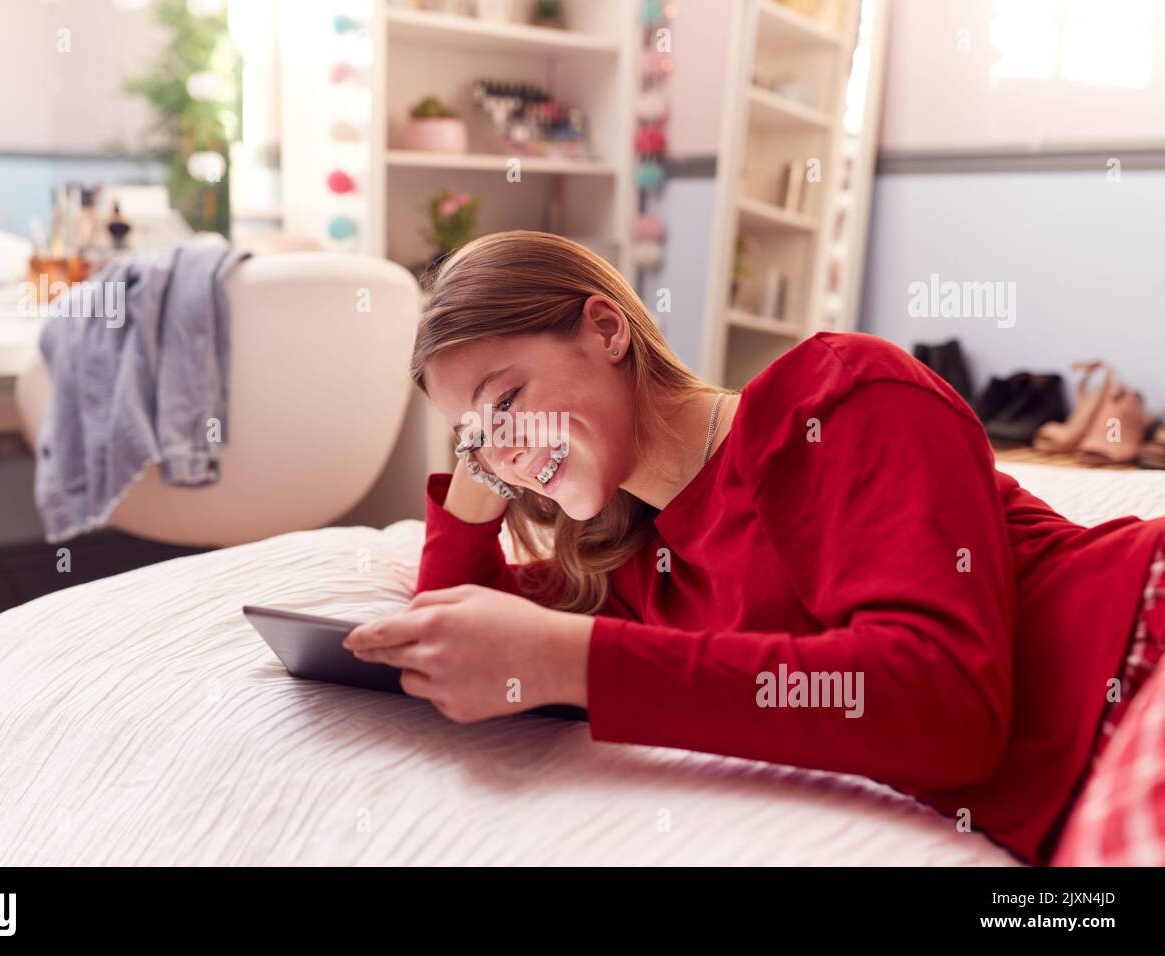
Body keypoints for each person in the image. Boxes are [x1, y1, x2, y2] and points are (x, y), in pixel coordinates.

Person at [344, 230, 1165, 865]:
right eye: (471, 438)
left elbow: (942, 704)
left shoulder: (837, 395)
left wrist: (579, 662)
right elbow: (456, 624)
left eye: (510, 397)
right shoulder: (631, 571)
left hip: (1142, 651)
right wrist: (487, 452)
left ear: (605, 328)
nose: (500, 450)